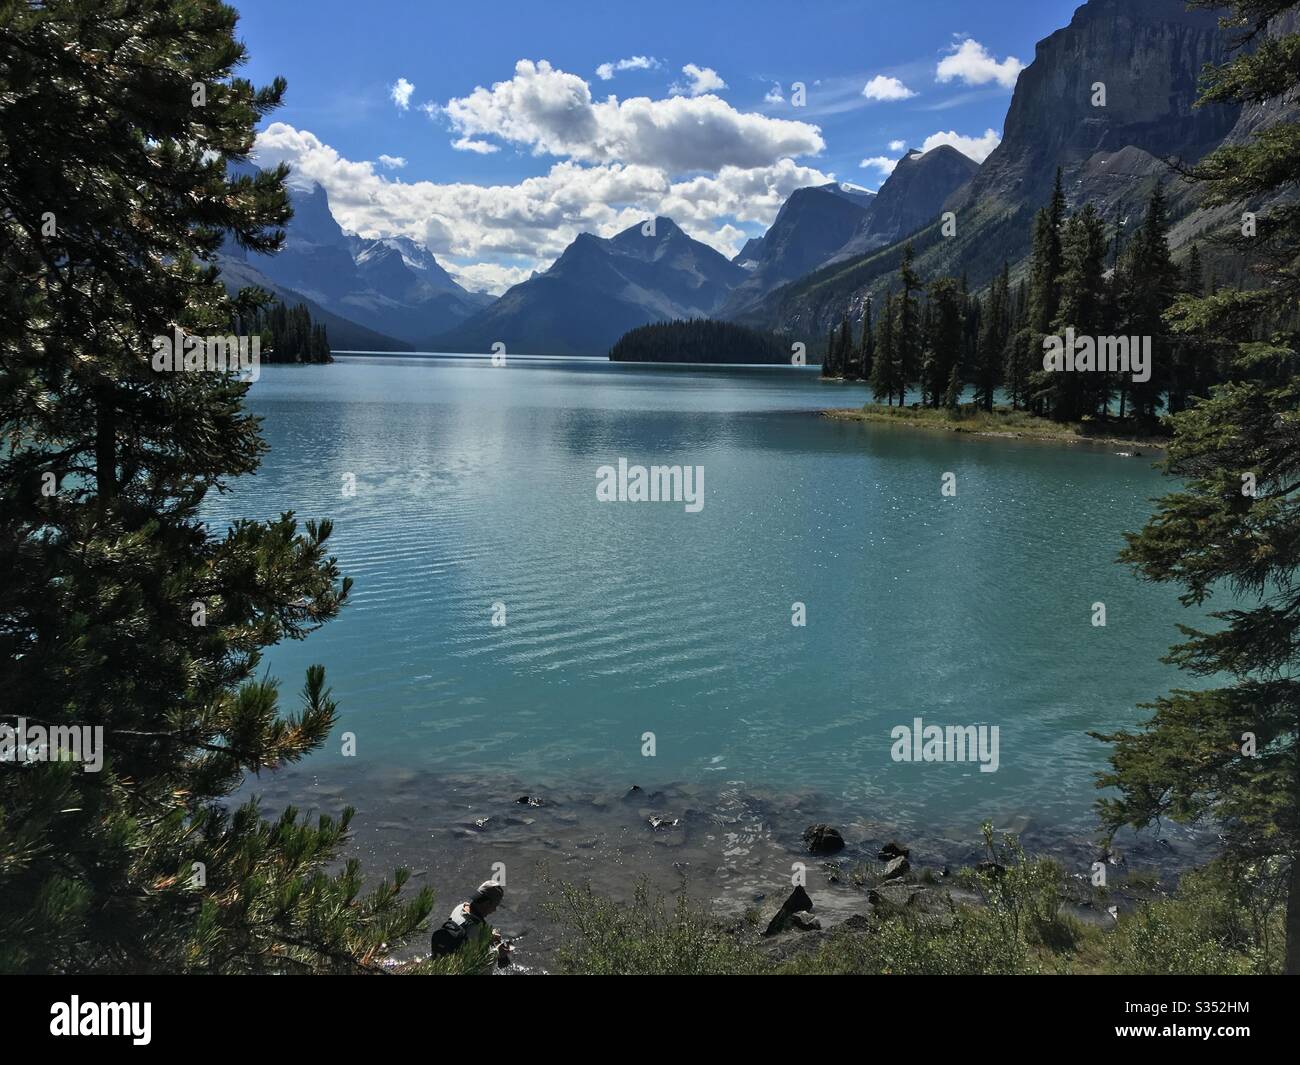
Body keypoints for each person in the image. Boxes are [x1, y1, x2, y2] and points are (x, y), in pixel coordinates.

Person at [429, 881, 509, 971]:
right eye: (494, 905)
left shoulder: (460, 907)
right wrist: (499, 953)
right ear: (486, 903)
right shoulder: (477, 929)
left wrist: (488, 936)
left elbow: (466, 931)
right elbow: (479, 964)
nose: (494, 910)